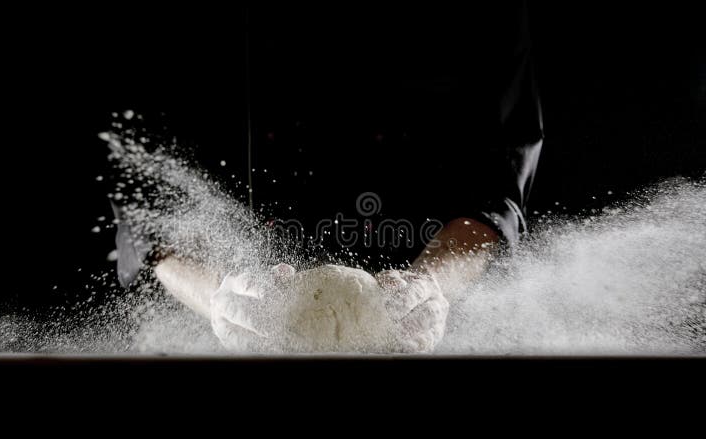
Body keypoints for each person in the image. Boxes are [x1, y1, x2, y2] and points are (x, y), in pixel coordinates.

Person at [113, 3, 543, 353]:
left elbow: (495, 191)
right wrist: (221, 300)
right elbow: (148, 210)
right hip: (231, 341)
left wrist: (430, 288)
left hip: (423, 335)